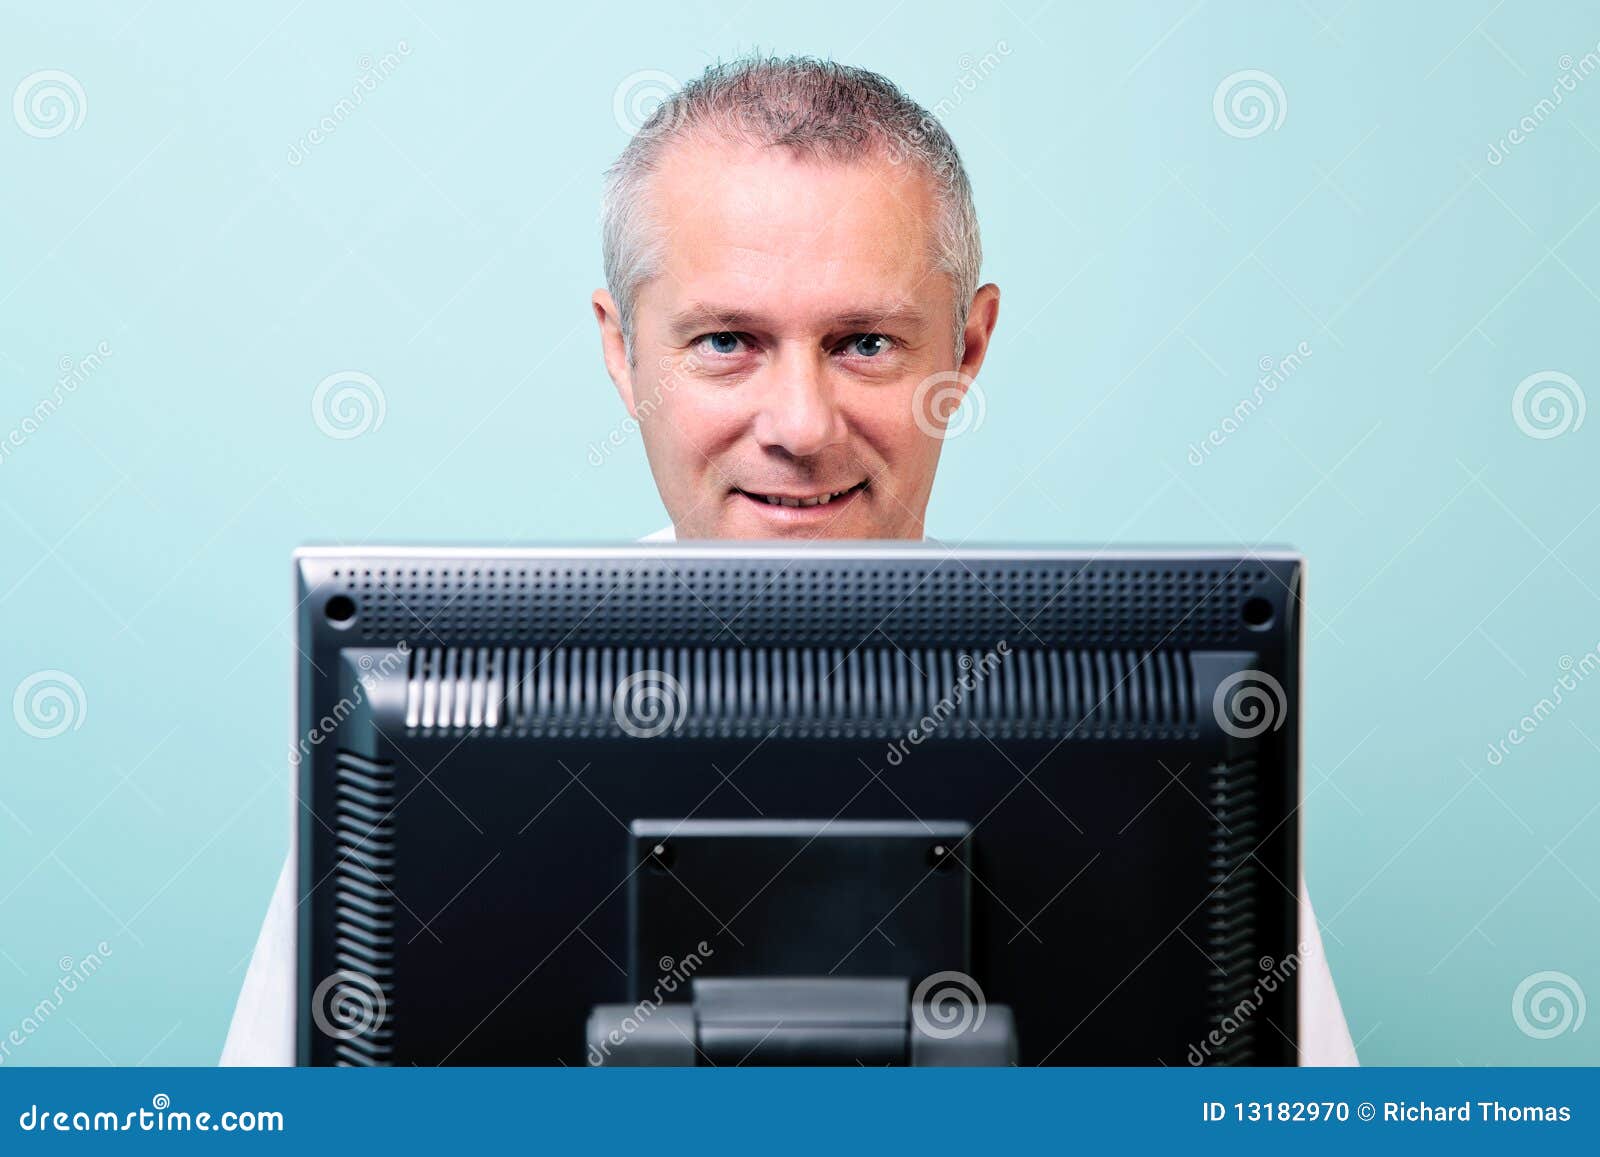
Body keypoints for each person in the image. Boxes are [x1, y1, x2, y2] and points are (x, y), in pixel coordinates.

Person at [224, 55, 1355, 1066]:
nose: (800, 423)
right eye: (727, 342)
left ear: (965, 351)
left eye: (865, 343)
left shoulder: (1173, 762)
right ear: (624, 356)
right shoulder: (410, 746)